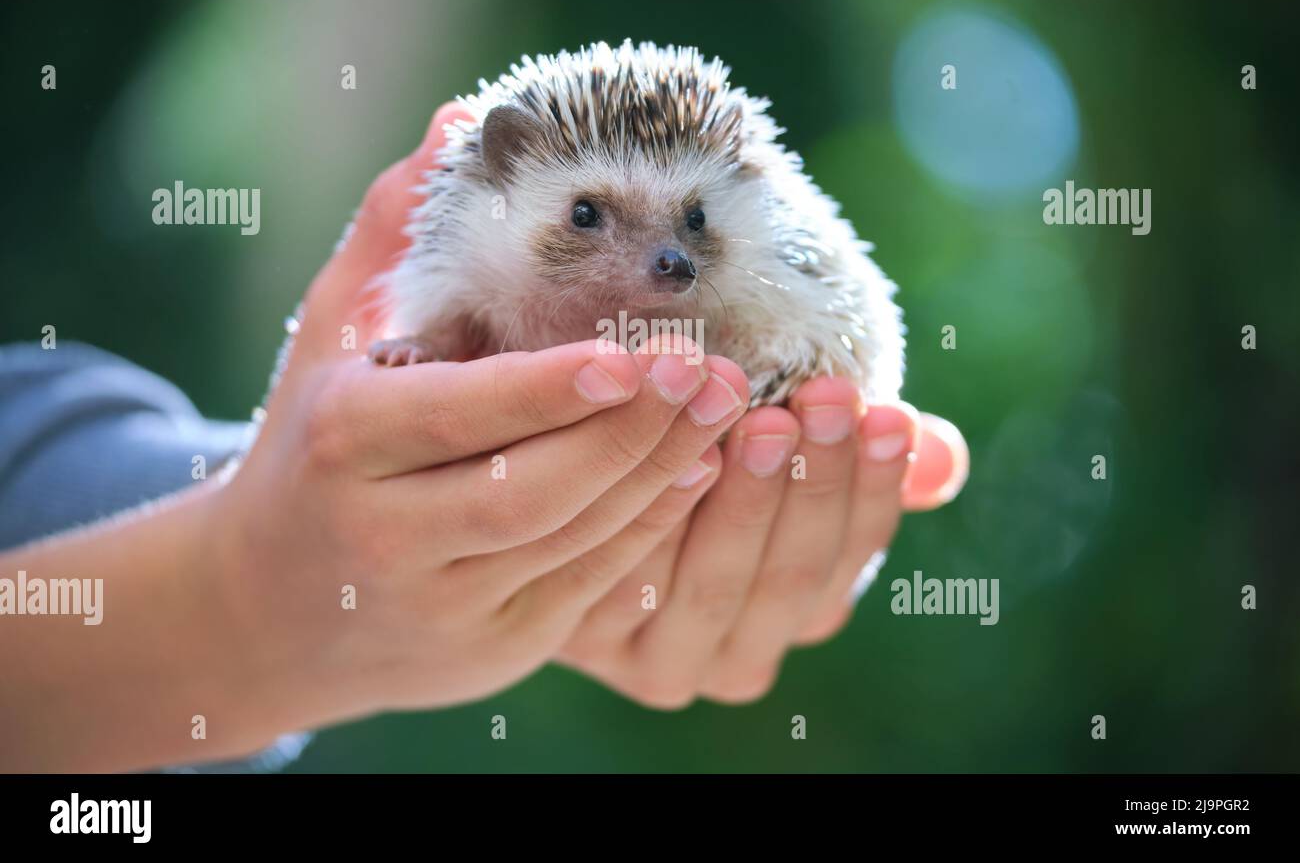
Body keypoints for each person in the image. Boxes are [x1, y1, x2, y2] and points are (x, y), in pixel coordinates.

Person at [0, 104, 968, 773]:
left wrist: (277, 537)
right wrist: (241, 592)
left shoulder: (766, 279)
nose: (665, 257)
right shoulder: (468, 266)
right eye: (588, 216)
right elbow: (432, 328)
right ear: (500, 180)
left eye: (693, 221)